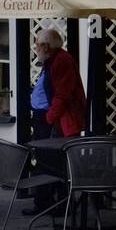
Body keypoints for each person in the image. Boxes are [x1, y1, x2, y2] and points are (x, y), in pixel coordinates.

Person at [26, 28, 87, 215]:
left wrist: (49, 117)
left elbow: (63, 94)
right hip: (48, 117)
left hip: (56, 120)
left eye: (37, 45)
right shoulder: (52, 60)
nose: (35, 49)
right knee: (46, 160)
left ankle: (59, 204)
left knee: (55, 162)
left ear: (45, 46)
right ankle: (45, 201)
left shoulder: (61, 61)